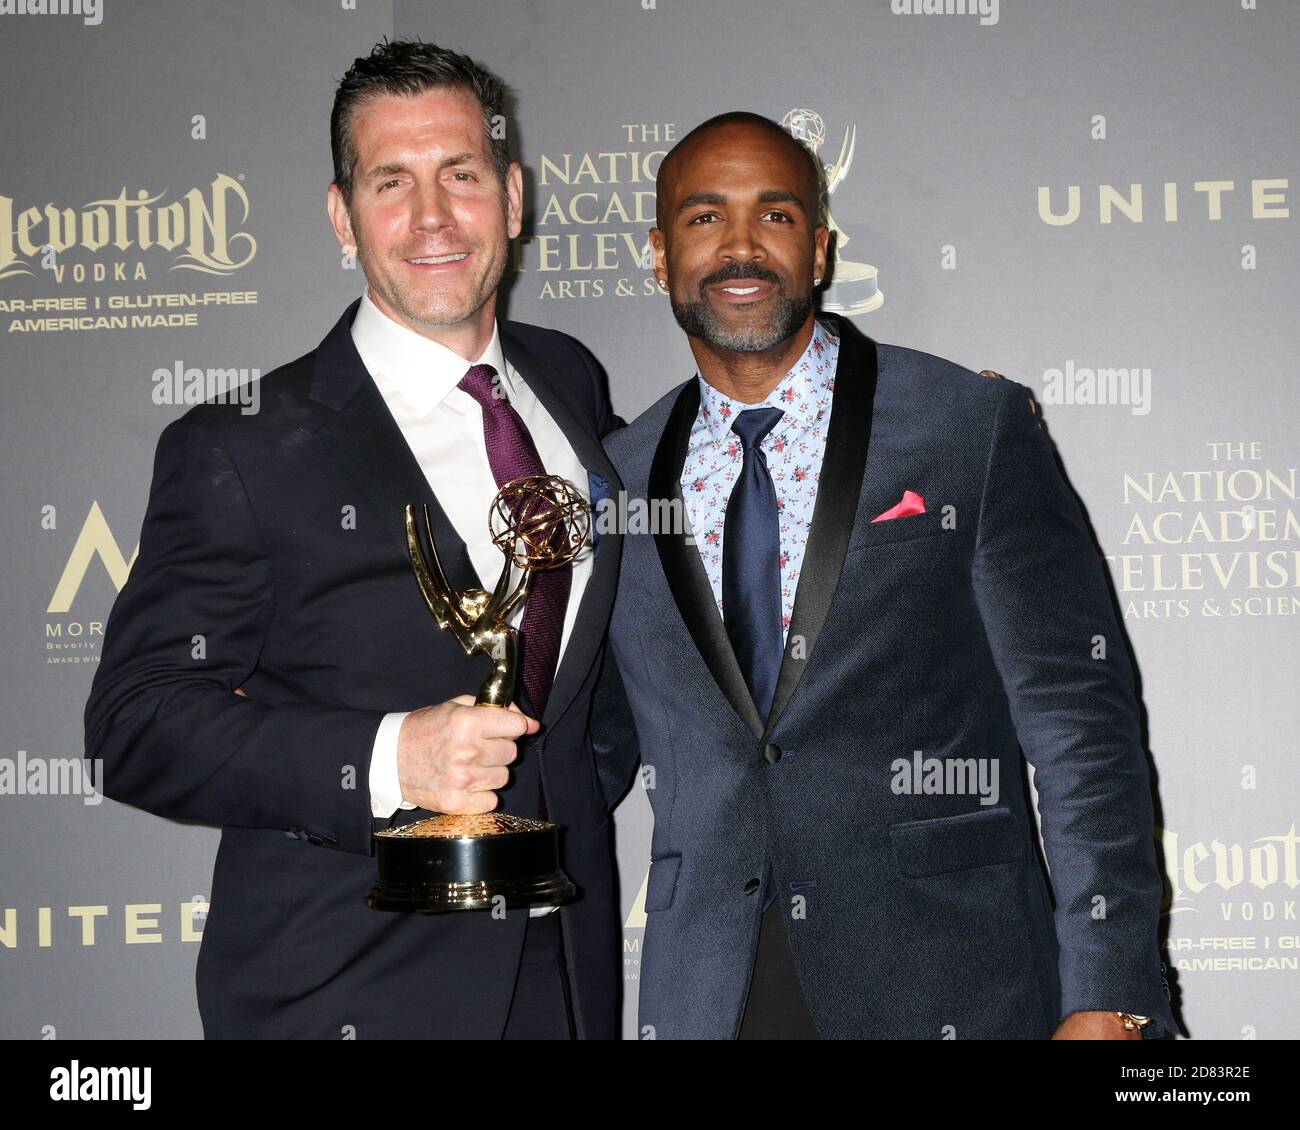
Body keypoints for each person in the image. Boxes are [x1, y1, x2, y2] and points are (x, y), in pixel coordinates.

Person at [84, 40, 624, 1040]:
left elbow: (593, 667)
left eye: (460, 175)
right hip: (344, 990)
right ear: (342, 216)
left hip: (567, 981)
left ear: (512, 196)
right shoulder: (241, 445)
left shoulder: (568, 382)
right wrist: (388, 757)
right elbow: (134, 725)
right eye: (392, 182)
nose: (432, 218)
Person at [594, 111, 1175, 1040]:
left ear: (819, 248)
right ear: (659, 255)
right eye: (705, 219)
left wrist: (1108, 988)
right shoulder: (613, 478)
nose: (740, 246)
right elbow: (601, 742)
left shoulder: (966, 427)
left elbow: (1079, 727)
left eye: (774, 216)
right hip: (710, 992)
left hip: (954, 978)